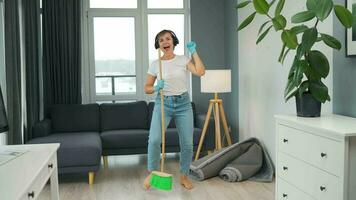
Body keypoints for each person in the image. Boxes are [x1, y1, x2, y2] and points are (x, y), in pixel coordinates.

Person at [143, 30, 205, 190]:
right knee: (154, 139)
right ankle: (152, 173)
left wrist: (194, 52)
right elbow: (147, 88)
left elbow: (200, 72)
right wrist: (156, 87)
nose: (165, 41)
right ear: (159, 45)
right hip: (163, 103)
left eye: (167, 38)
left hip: (183, 104)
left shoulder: (183, 59)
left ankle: (184, 176)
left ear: (173, 41)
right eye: (161, 40)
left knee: (187, 143)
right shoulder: (156, 64)